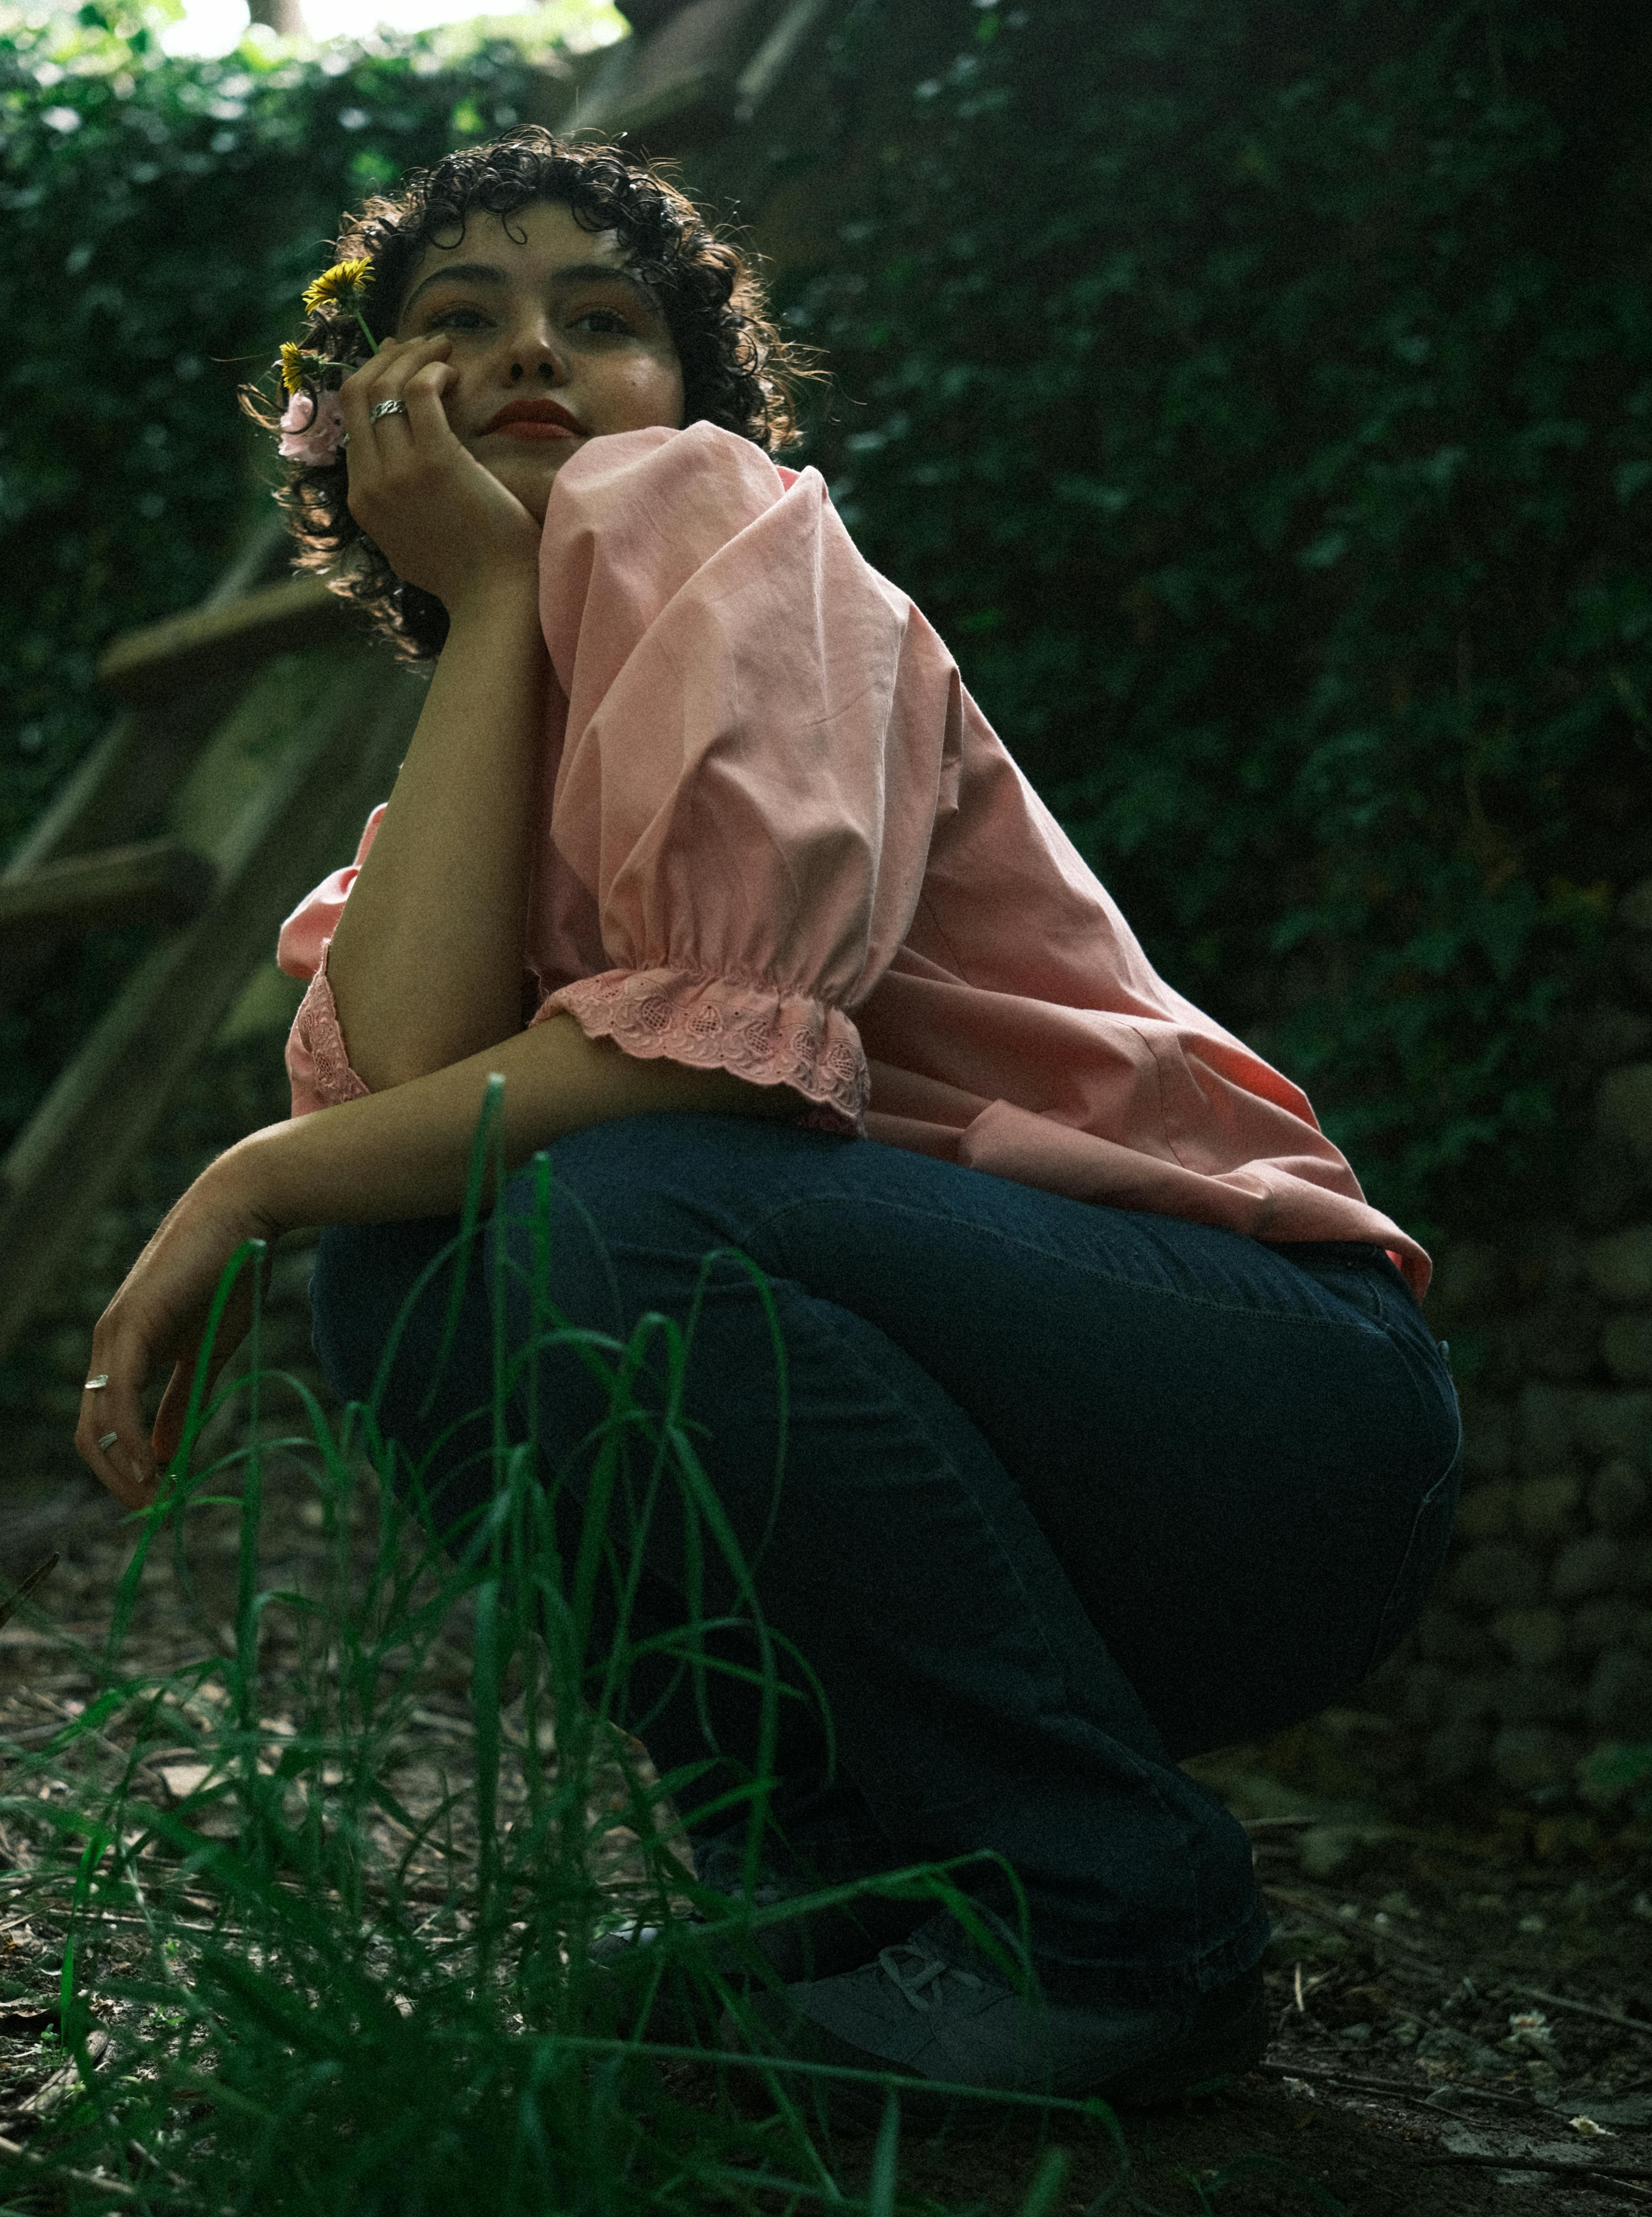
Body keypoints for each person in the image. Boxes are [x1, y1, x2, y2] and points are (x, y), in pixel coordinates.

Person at [77, 130, 1461, 2104]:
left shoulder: (724, 530)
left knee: (621, 1206)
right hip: (1008, 1462)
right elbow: (414, 1093)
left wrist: (243, 1174)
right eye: (456, 323)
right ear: (365, 428)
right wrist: (485, 612)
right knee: (410, 1276)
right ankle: (831, 1889)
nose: (532, 349)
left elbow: (688, 1065)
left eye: (604, 320)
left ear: (696, 402)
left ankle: (1117, 1920)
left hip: (1263, 1415)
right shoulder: (491, 737)